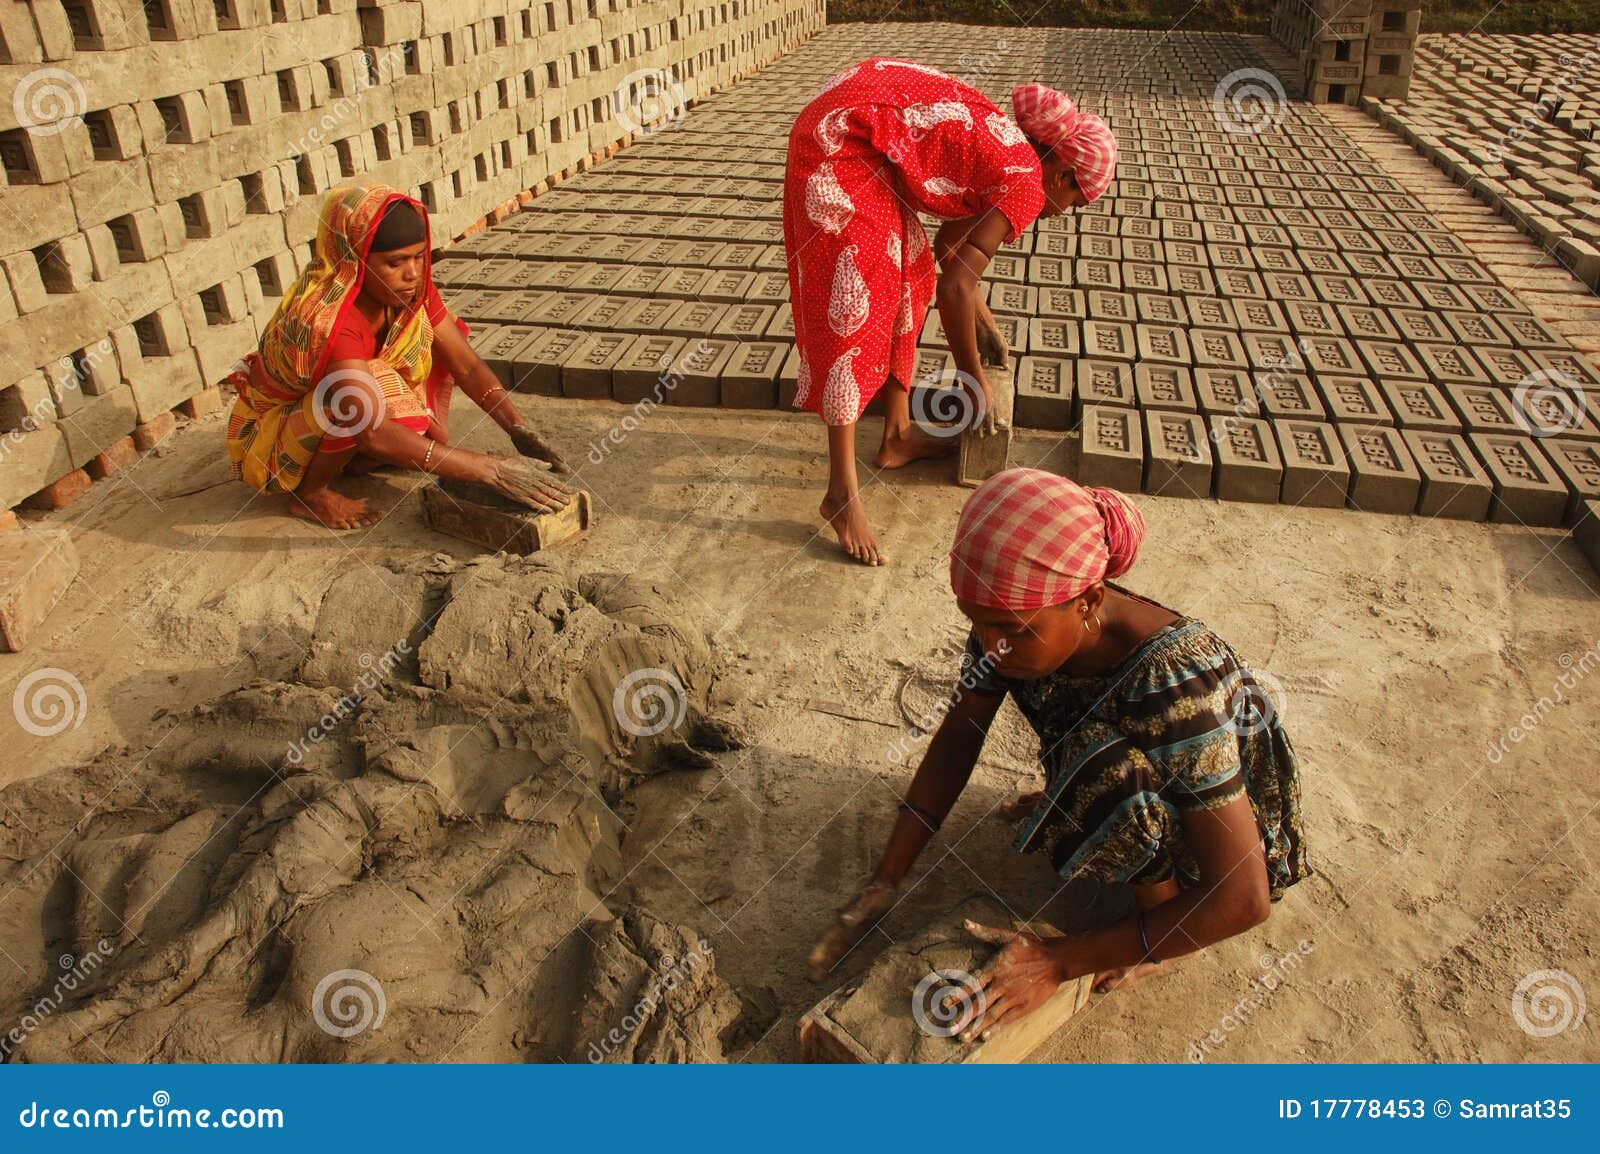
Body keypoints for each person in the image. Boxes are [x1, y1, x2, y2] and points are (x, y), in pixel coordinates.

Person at [807, 468, 1311, 1041]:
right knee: (1091, 764)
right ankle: (1095, 808)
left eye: (1012, 630)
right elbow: (959, 736)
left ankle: (1158, 925)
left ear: (1089, 600)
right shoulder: (1008, 622)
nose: (993, 645)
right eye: (976, 622)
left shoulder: (1175, 684)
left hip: (1219, 852)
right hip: (1144, 774)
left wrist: (1058, 961)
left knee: (1102, 771)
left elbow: (1243, 899)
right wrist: (885, 878)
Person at [782, 59, 1118, 565]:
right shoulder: (1028, 184)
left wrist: (984, 324)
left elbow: (948, 251)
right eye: (1075, 200)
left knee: (909, 272)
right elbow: (957, 287)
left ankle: (896, 436)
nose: (1063, 212)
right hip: (836, 140)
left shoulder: (1016, 160)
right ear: (1063, 173)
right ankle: (840, 494)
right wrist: (973, 380)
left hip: (858, 124)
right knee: (854, 302)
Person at [224, 183, 572, 530]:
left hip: (346, 406)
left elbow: (465, 365)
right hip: (271, 433)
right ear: (356, 259)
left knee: (435, 339)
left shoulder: (409, 290)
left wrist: (516, 427)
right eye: (395, 263)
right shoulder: (330, 322)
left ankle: (361, 458)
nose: (413, 274)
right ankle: (311, 494)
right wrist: (489, 470)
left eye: (419, 257)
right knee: (356, 398)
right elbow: (371, 429)